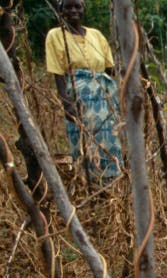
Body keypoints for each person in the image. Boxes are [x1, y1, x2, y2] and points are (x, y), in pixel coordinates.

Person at [45, 0, 123, 182]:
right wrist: (67, 104)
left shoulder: (96, 35)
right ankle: (90, 185)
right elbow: (58, 73)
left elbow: (109, 68)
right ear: (60, 10)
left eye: (77, 7)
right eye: (68, 7)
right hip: (78, 97)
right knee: (84, 142)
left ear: (83, 9)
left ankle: (112, 184)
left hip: (104, 96)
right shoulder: (55, 36)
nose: (73, 11)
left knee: (109, 138)